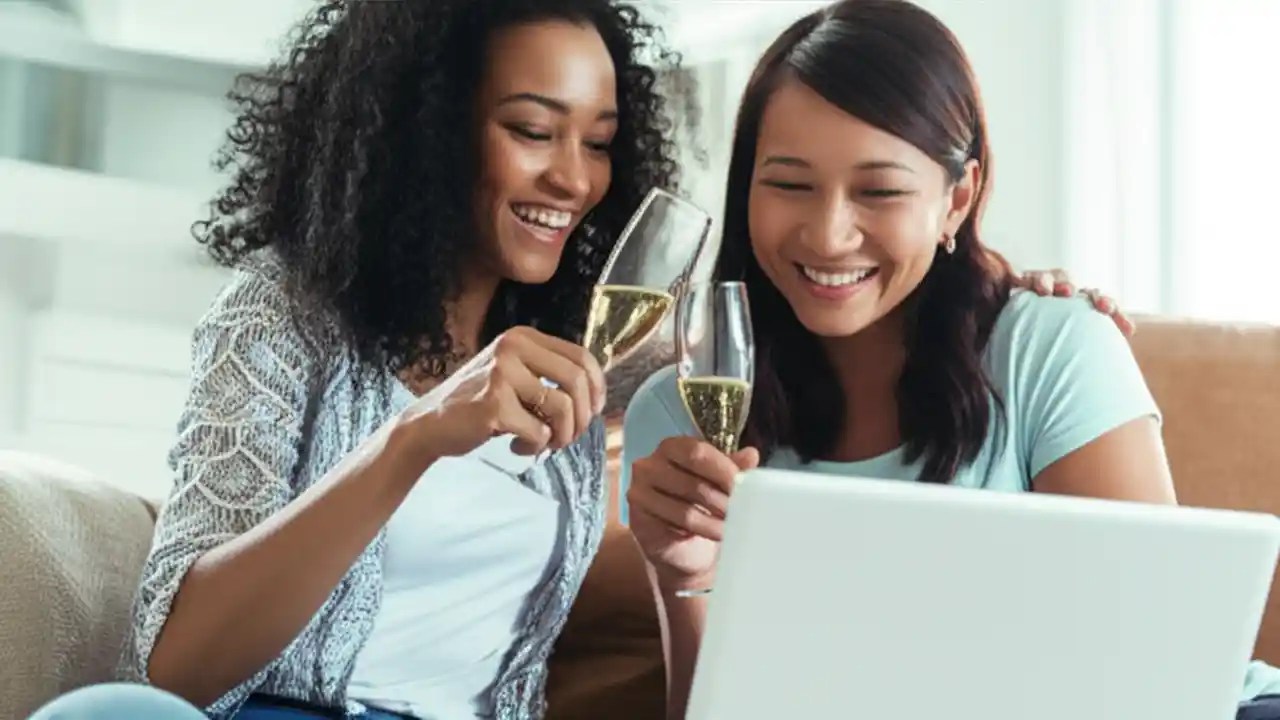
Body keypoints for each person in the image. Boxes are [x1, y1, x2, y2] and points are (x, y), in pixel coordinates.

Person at [24, 1, 1125, 719]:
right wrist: (412, 438)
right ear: (429, 127)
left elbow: (822, 310)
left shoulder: (619, 345)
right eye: (531, 128)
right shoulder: (287, 318)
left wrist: (1010, 292)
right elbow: (172, 670)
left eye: (598, 142)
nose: (572, 177)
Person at [618, 1, 1280, 719]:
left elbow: (1157, 668)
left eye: (879, 191)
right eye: (789, 183)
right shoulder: (679, 415)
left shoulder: (1050, 350)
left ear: (957, 198)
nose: (829, 233)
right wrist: (686, 578)